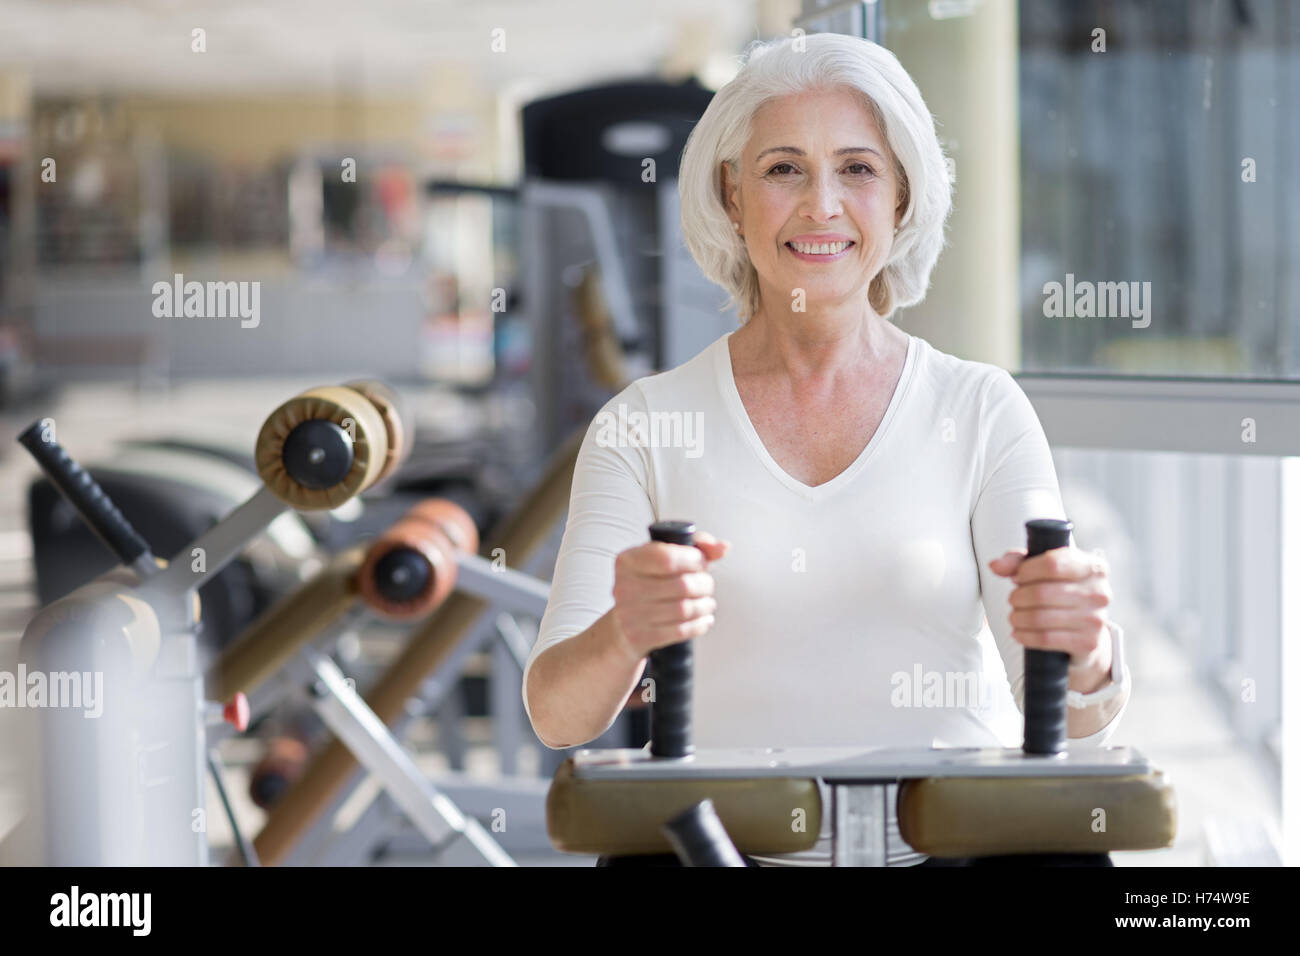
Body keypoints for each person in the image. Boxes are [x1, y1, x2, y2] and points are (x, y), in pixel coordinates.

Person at [523, 32, 1131, 866]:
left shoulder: (982, 407)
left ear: (901, 199)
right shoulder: (641, 426)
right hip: (726, 850)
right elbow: (559, 715)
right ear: (732, 197)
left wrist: (1086, 648)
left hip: (950, 848)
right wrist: (624, 631)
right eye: (783, 169)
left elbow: (1065, 706)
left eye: (858, 169)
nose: (821, 205)